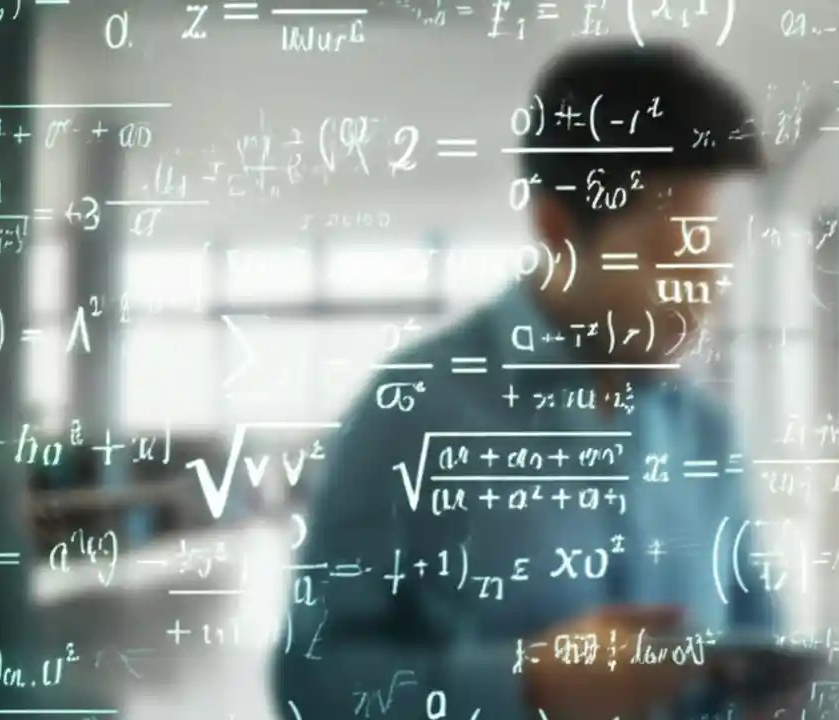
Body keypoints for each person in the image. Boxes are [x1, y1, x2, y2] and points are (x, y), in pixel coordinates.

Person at [273, 41, 794, 720]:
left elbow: (757, 646)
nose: (702, 299)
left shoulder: (706, 432)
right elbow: (309, 681)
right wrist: (526, 685)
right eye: (668, 258)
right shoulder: (412, 412)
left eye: (714, 259)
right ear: (556, 228)